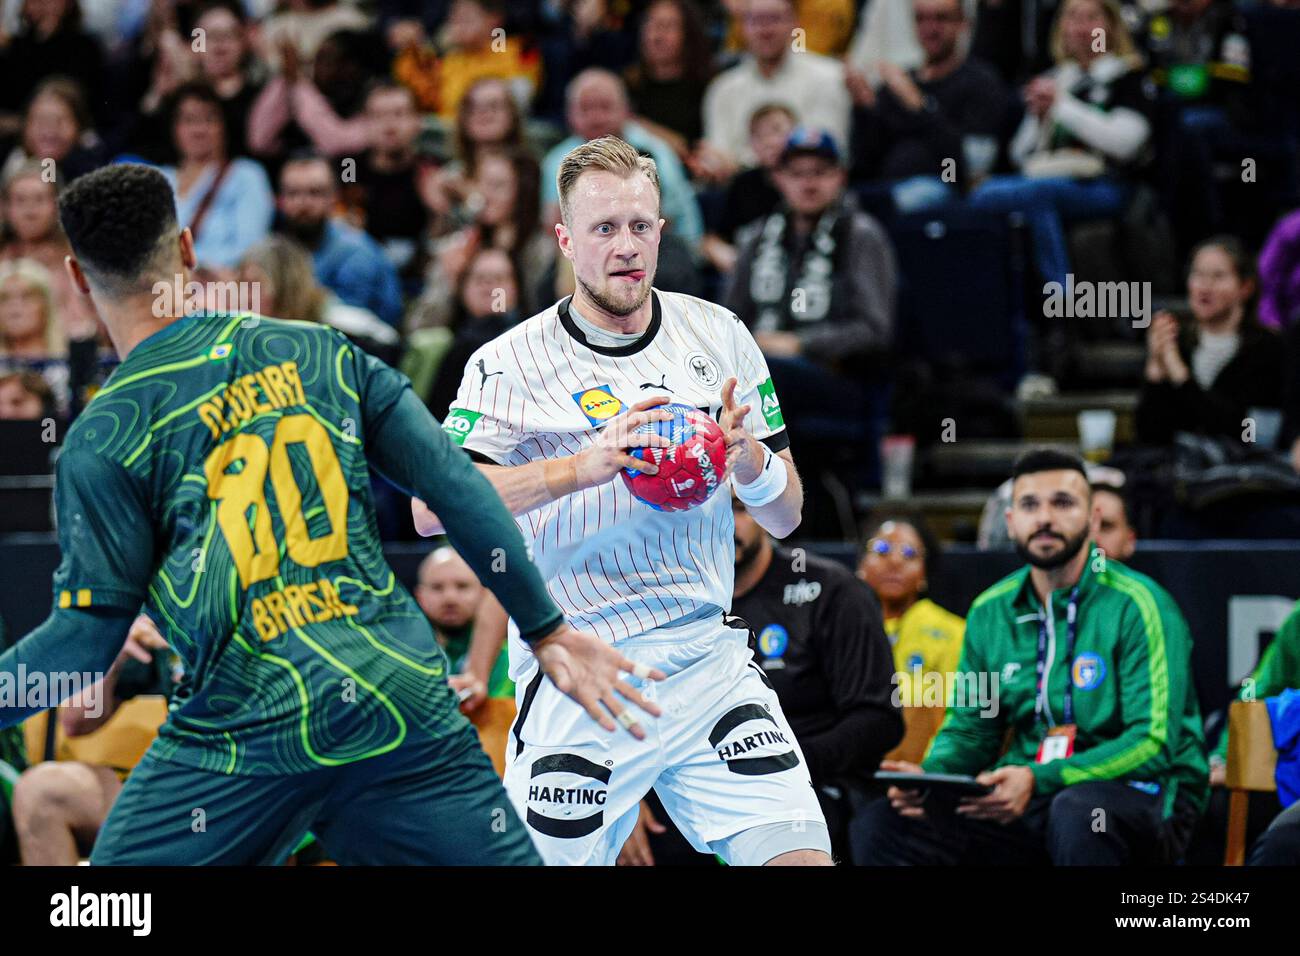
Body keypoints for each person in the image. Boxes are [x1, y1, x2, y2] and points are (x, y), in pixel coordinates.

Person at [0, 162, 659, 864]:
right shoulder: (317, 350)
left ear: (75, 276)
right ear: (187, 250)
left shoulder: (102, 436)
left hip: (244, 723)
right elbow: (453, 484)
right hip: (394, 699)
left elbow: (81, 643)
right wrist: (546, 626)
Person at [412, 135, 833, 866]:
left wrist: (749, 457)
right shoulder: (510, 363)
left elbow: (787, 515)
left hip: (708, 656)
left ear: (662, 231)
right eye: (604, 228)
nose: (626, 246)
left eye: (640, 226)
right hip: (580, 667)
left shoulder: (721, 334)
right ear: (566, 239)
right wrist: (583, 465)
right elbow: (430, 508)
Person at [856, 449, 1208, 865]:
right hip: (1032, 797)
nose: (1044, 518)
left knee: (1077, 811)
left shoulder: (1140, 604)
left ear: (1092, 520)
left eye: (1062, 503)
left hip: (1143, 798)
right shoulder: (991, 611)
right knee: (882, 823)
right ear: (1011, 522)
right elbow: (972, 730)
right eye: (1029, 505)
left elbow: (1152, 744)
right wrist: (933, 779)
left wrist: (1038, 778)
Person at [968, 0, 1156, 290]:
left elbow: (1125, 143)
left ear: (1111, 26)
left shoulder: (1129, 76)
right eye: (1072, 18)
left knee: (1036, 195)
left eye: (1091, 18)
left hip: (1108, 183)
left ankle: (1062, 299)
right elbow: (1021, 155)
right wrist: (1040, 118)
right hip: (1050, 177)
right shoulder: (1056, 79)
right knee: (984, 194)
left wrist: (1061, 107)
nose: (1081, 28)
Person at [10, 614, 175, 864]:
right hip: (163, 794)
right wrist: (115, 655)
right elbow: (77, 720)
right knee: (42, 793)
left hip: (231, 784)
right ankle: (75, 904)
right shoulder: (155, 612)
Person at [847, 0, 1007, 212]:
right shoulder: (900, 84)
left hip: (944, 192)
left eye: (941, 19)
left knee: (918, 194)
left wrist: (921, 107)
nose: (930, 29)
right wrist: (863, 109)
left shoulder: (980, 82)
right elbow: (866, 162)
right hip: (884, 188)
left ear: (963, 24)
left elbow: (966, 169)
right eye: (921, 19)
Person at [1137, 236, 1285, 446]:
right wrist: (1155, 372)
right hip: (1179, 473)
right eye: (1198, 275)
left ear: (1245, 287)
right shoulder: (1176, 344)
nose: (1204, 287)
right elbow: (1148, 438)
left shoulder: (1268, 349)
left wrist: (1181, 376)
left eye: (1218, 276)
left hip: (1243, 475)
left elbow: (1250, 434)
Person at [540, 68, 704, 252]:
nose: (596, 118)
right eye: (585, 109)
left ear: (626, 110)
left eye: (605, 107)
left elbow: (671, 219)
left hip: (659, 251)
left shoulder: (655, 152)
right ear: (569, 115)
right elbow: (552, 226)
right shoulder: (556, 162)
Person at [701, 0, 852, 171]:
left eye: (775, 18)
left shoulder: (829, 76)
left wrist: (742, 160)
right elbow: (719, 156)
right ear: (741, 27)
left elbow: (828, 151)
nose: (765, 29)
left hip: (807, 186)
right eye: (755, 20)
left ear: (795, 24)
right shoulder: (723, 88)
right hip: (742, 189)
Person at [275, 151, 404, 327]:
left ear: (333, 198)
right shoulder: (276, 249)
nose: (303, 203)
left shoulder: (356, 253)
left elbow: (353, 325)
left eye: (315, 193)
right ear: (280, 200)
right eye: (293, 193)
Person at [161, 81, 275, 272]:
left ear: (224, 126)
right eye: (188, 120)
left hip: (220, 292)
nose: (198, 130)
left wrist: (191, 266)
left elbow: (251, 250)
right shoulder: (160, 178)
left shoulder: (246, 175)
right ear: (175, 128)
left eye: (208, 119)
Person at [857, 510, 965, 707]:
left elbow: (961, 710)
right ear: (861, 566)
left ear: (923, 574)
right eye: (882, 549)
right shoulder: (839, 627)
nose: (895, 561)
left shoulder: (955, 632)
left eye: (909, 553)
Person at [414, 547, 512, 699]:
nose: (450, 598)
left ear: (485, 593)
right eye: (437, 588)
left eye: (462, 586)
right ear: (420, 597)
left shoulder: (512, 658)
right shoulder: (406, 659)